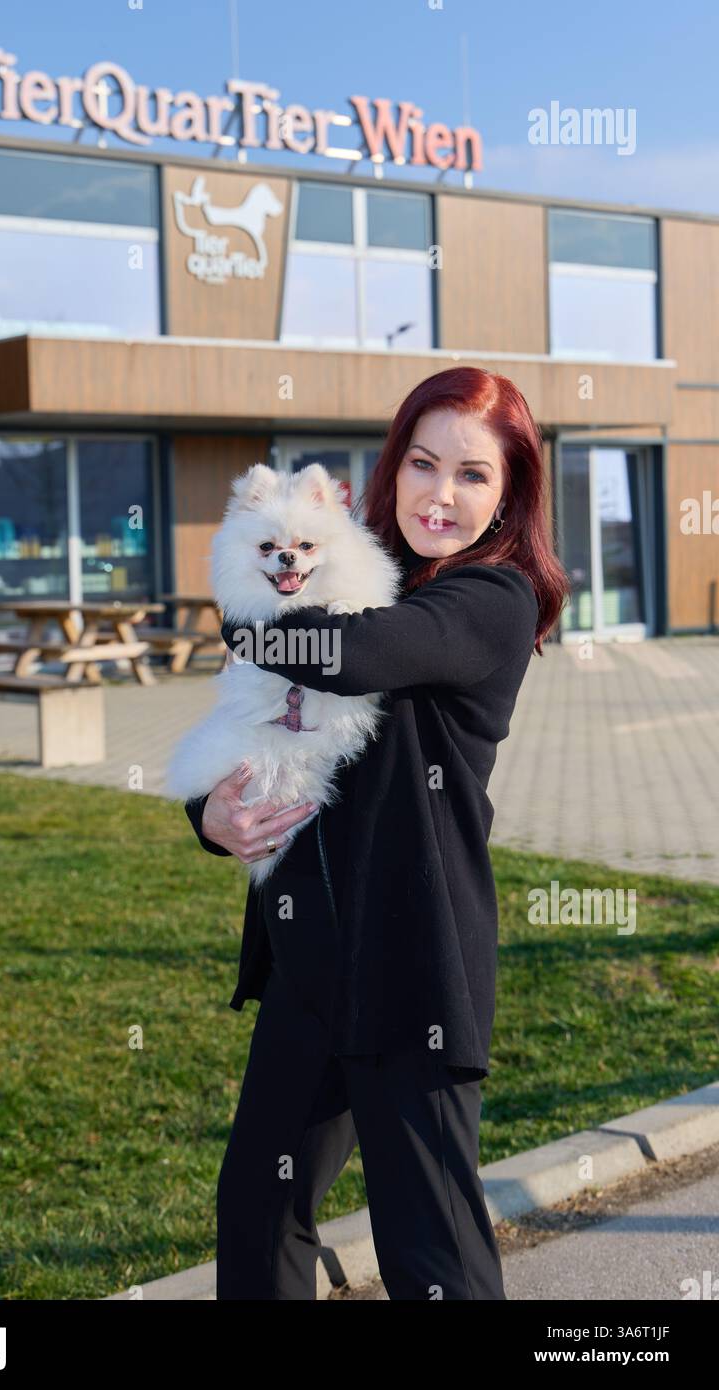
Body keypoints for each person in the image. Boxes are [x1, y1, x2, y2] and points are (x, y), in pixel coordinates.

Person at [184, 366, 570, 1300]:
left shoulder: (492, 602)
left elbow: (354, 656)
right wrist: (211, 816)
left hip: (411, 970)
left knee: (428, 1251)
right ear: (392, 470)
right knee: (258, 1211)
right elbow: (241, 730)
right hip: (310, 962)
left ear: (509, 492)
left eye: (474, 475)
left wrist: (242, 612)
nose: (442, 494)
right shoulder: (348, 571)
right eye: (424, 464)